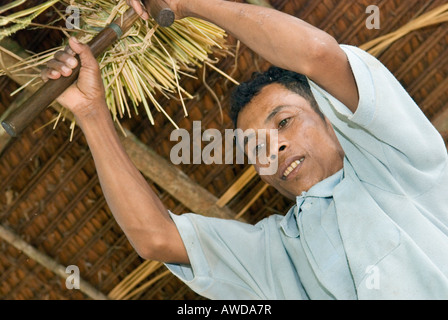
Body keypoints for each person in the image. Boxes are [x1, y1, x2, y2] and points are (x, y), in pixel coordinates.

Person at [41, 0, 448, 299]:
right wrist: (91, 110)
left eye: (284, 121)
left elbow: (317, 54)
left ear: (330, 116)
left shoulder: (397, 161)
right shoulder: (281, 253)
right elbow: (155, 238)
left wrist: (185, 4)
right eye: (256, 148)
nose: (274, 147)